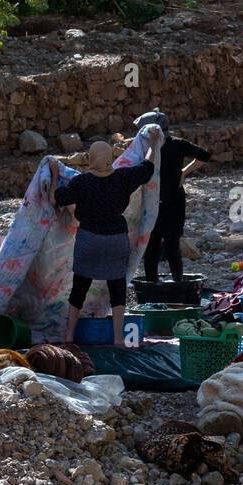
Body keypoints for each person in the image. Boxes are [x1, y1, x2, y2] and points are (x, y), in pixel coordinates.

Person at [55, 138, 160, 345]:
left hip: (89, 240)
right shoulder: (122, 178)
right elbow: (147, 168)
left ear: (92, 158)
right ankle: (119, 338)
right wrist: (153, 144)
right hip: (115, 241)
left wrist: (51, 175)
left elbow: (60, 198)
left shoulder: (81, 182)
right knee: (117, 288)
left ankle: (68, 335)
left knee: (79, 288)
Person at [136, 110, 210, 283]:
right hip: (152, 205)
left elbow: (204, 155)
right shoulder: (146, 150)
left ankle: (178, 285)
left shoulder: (177, 145)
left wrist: (184, 172)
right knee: (151, 248)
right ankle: (151, 287)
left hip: (174, 204)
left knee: (171, 247)